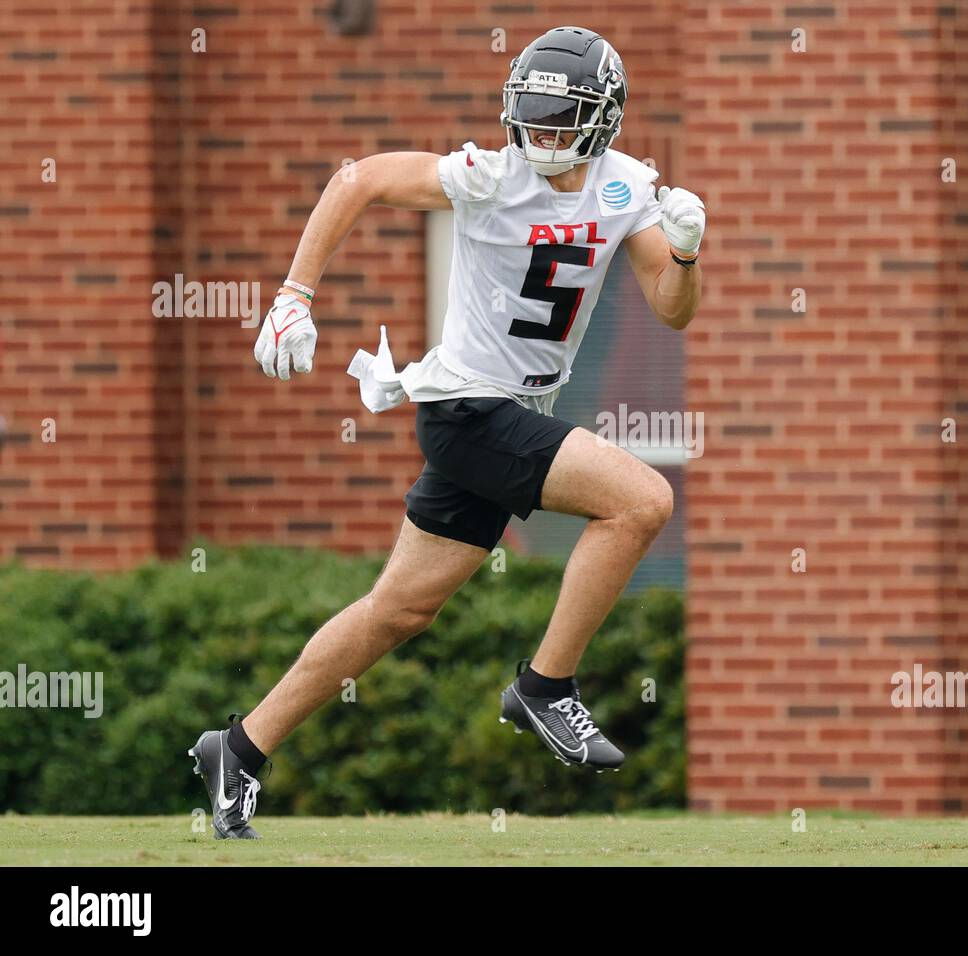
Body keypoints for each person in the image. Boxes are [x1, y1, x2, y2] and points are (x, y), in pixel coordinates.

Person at [188, 25, 705, 839]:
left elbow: (673, 312)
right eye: (530, 115)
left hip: (514, 414)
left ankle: (240, 745)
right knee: (641, 502)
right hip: (468, 408)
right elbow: (356, 179)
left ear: (603, 120)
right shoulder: (486, 176)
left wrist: (685, 253)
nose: (540, 134)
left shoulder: (627, 189)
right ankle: (545, 687)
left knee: (398, 610)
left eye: (560, 119)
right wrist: (294, 293)